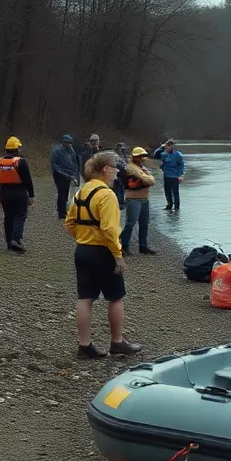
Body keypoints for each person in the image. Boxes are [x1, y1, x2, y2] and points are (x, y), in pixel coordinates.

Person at [63, 150, 141, 359]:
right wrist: (117, 255)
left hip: (82, 250)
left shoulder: (81, 192)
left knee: (85, 298)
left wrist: (83, 238)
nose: (117, 172)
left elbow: (69, 222)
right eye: (115, 168)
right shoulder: (106, 195)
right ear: (106, 170)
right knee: (116, 297)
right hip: (103, 253)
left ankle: (85, 345)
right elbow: (109, 229)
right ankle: (117, 342)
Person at [0, 136, 35, 254]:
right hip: (19, 192)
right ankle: (16, 240)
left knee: (8, 217)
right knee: (20, 216)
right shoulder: (20, 162)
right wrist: (31, 195)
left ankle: (9, 243)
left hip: (4, 192)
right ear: (17, 149)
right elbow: (27, 180)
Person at [120, 147, 157, 255]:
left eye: (143, 156)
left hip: (144, 198)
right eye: (140, 156)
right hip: (133, 199)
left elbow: (151, 180)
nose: (142, 158)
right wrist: (147, 178)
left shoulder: (141, 167)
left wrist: (147, 179)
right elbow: (148, 180)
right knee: (130, 223)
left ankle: (143, 246)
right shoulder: (131, 168)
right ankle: (124, 246)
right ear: (135, 157)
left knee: (144, 223)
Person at [49, 135, 80, 219]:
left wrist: (74, 173)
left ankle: (63, 210)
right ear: (63, 142)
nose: (69, 144)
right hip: (59, 175)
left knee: (66, 192)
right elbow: (54, 163)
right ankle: (61, 213)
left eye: (70, 143)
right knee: (62, 193)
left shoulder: (71, 151)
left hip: (68, 175)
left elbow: (74, 162)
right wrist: (59, 172)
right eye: (67, 143)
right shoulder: (57, 151)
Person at [153, 139, 185, 211]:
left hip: (175, 176)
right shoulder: (163, 154)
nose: (167, 147)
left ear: (172, 147)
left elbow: (181, 165)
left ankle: (177, 207)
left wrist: (180, 175)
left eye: (169, 146)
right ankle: (169, 205)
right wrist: (161, 147)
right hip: (166, 175)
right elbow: (155, 155)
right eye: (166, 146)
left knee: (175, 192)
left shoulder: (178, 155)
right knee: (167, 191)